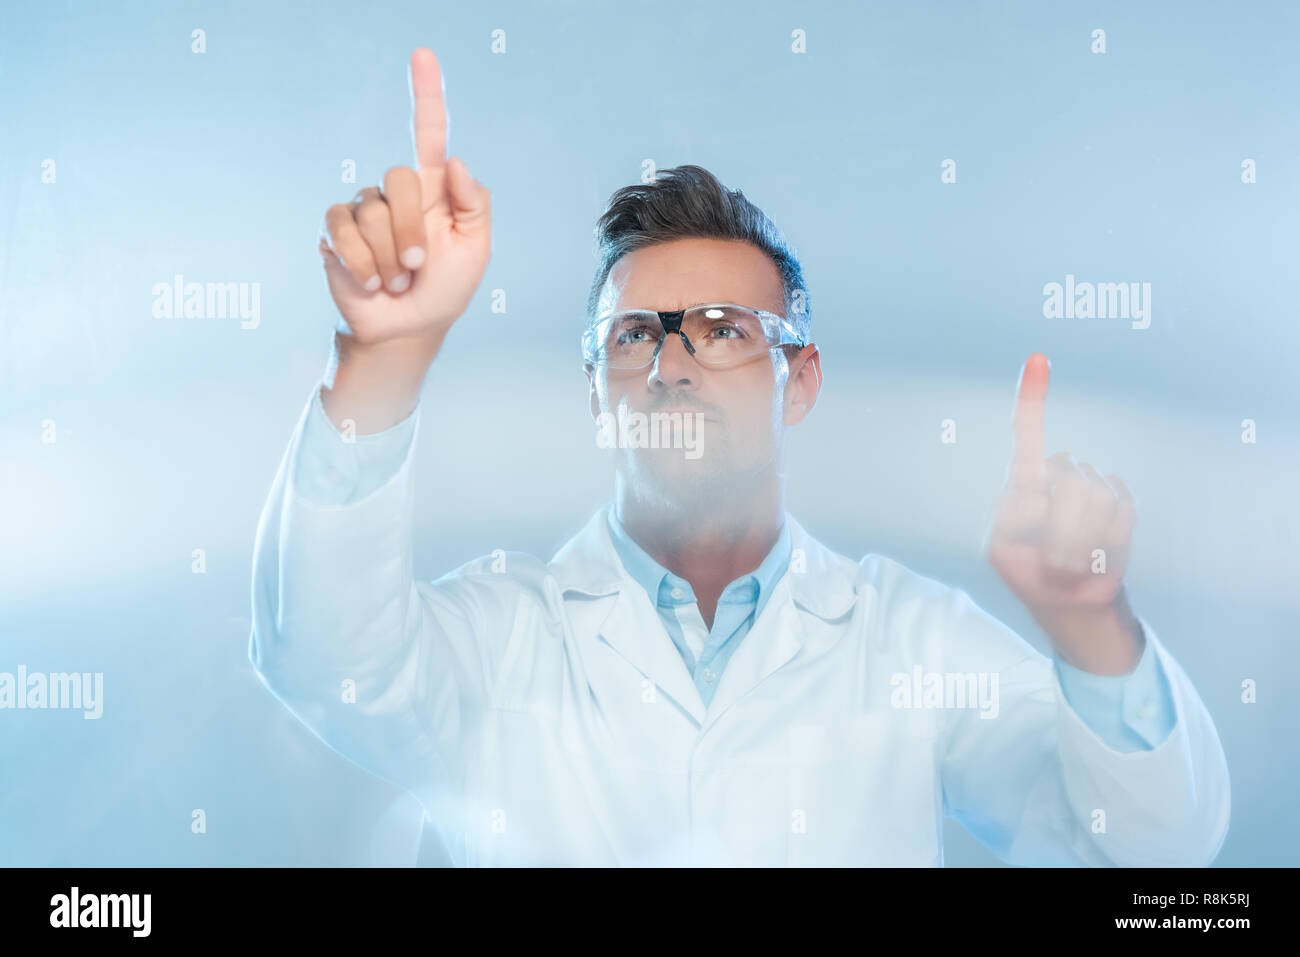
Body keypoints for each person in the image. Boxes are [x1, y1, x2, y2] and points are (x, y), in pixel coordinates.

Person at [249, 48, 1229, 866]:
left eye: (721, 330)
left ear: (797, 380)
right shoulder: (500, 639)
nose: (672, 365)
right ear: (596, 393)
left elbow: (1145, 852)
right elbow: (327, 661)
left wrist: (1093, 630)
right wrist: (386, 353)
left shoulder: (905, 643)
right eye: (635, 335)